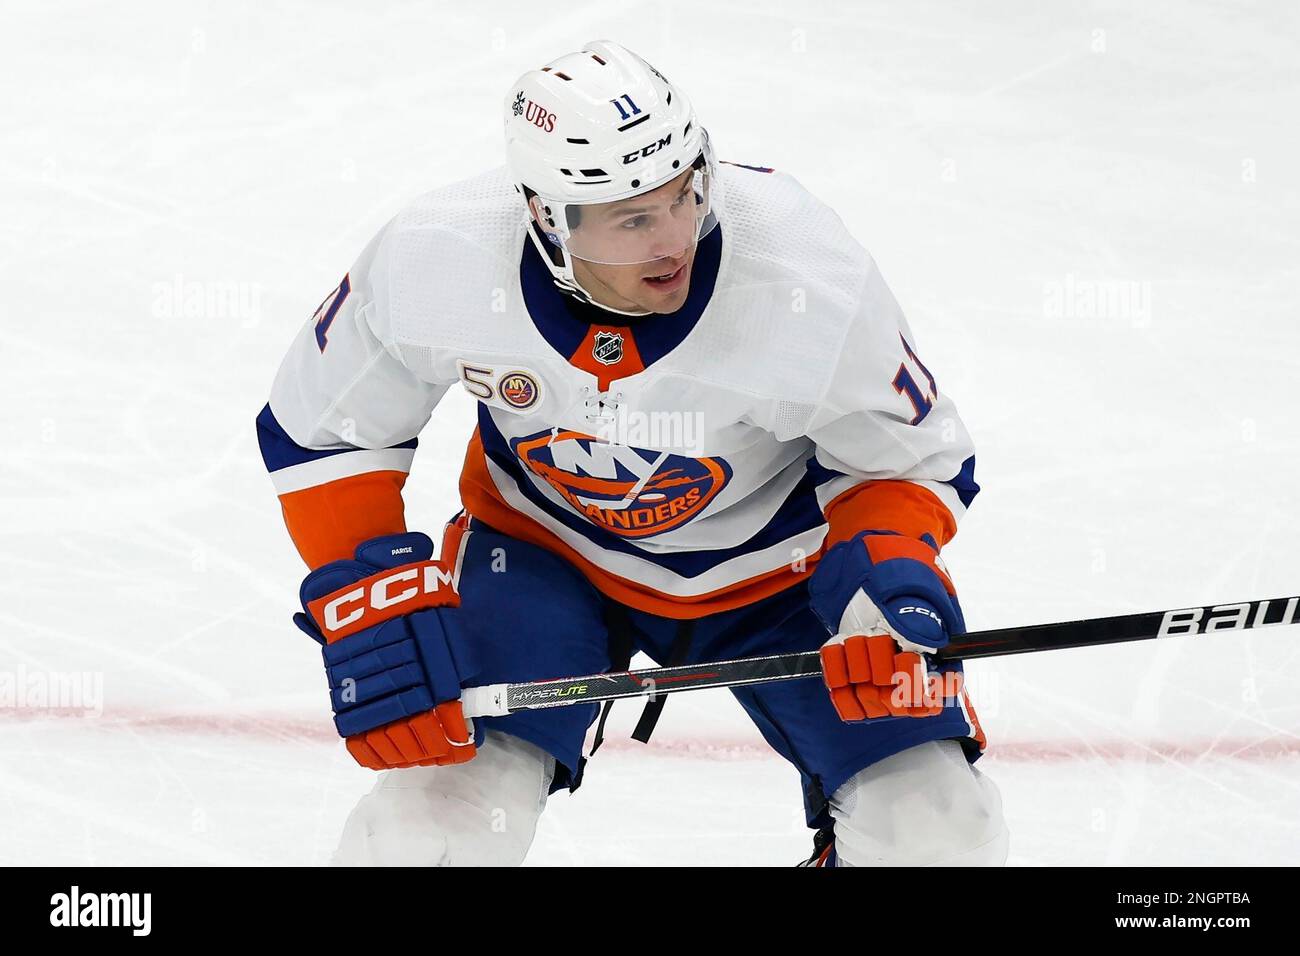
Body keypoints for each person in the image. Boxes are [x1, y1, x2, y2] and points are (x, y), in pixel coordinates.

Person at [257, 40, 1008, 866]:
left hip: (782, 574)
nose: (673, 241)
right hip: (542, 557)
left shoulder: (802, 268)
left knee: (940, 834)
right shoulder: (440, 256)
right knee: (425, 834)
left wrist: (886, 577)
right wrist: (371, 594)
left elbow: (904, 456)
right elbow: (324, 427)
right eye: (632, 219)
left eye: (685, 197)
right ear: (548, 218)